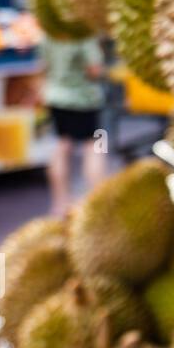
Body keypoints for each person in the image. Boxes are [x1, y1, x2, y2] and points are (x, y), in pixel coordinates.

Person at [40, 35, 107, 216]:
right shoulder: (83, 35)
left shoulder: (50, 31)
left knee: (61, 145)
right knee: (94, 146)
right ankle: (97, 202)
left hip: (55, 97)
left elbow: (44, 65)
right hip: (83, 99)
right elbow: (94, 69)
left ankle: (60, 203)